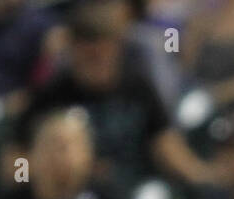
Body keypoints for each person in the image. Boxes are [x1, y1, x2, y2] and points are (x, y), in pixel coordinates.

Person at [11, 0, 213, 188]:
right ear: (72, 50)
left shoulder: (137, 86)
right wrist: (28, 180)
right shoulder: (54, 93)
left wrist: (203, 176)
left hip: (131, 187)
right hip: (71, 189)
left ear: (116, 49)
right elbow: (18, 152)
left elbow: (165, 143)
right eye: (87, 57)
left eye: (101, 56)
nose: (95, 65)